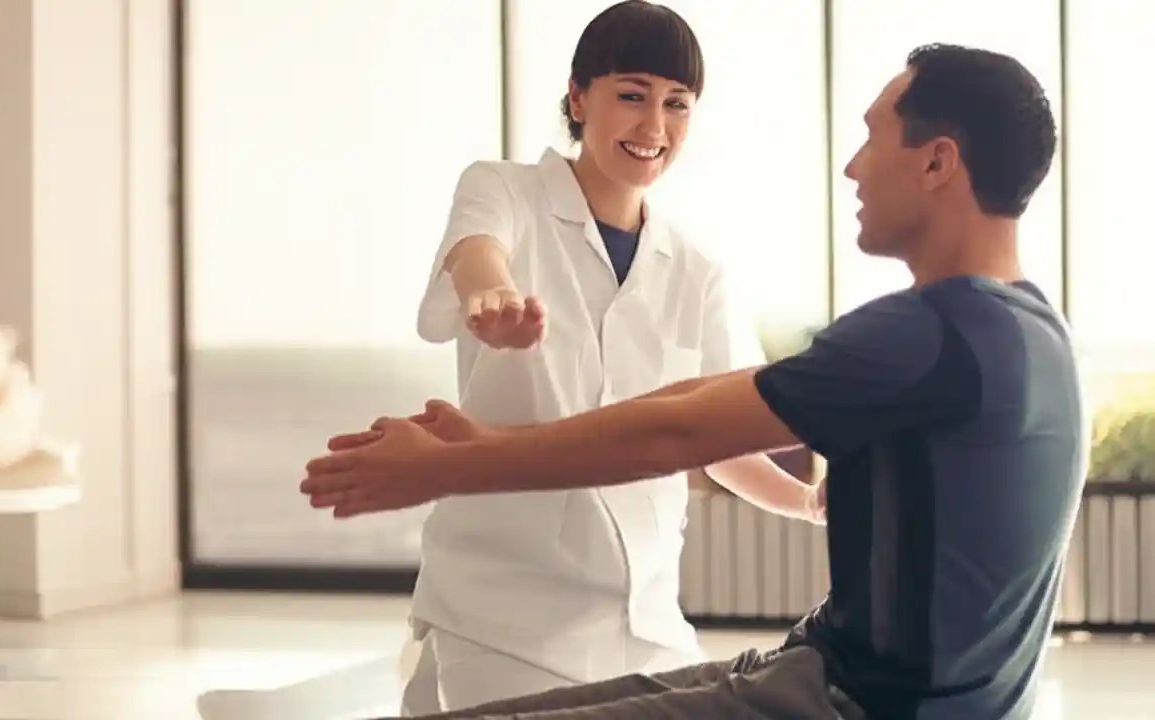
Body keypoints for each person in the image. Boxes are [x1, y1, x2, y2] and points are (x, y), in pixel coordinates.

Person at [303, 42, 1083, 720]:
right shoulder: (1028, 327)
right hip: (832, 672)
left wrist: (447, 466)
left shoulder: (924, 333)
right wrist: (483, 440)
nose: (852, 167)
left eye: (872, 138)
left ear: (938, 162)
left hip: (850, 702)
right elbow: (701, 401)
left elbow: (679, 434)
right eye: (632, 95)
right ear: (579, 100)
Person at [399, 0, 825, 714]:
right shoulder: (505, 189)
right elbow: (477, 250)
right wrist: (491, 297)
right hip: (499, 614)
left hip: (645, 623)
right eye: (631, 95)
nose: (654, 126)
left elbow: (720, 438)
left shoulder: (696, 268)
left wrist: (807, 504)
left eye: (676, 104)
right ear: (578, 98)